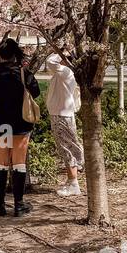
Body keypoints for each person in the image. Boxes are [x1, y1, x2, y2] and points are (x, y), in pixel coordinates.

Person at [0, 38, 41, 216]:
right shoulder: (24, 74)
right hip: (20, 123)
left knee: (2, 162)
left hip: (1, 123)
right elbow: (36, 92)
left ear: (0, 55)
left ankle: (0, 205)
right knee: (18, 162)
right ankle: (19, 204)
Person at [45, 53, 83, 197]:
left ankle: (74, 183)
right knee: (65, 147)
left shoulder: (66, 72)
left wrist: (62, 50)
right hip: (60, 113)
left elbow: (50, 61)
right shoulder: (64, 73)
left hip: (62, 114)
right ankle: (71, 180)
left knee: (67, 148)